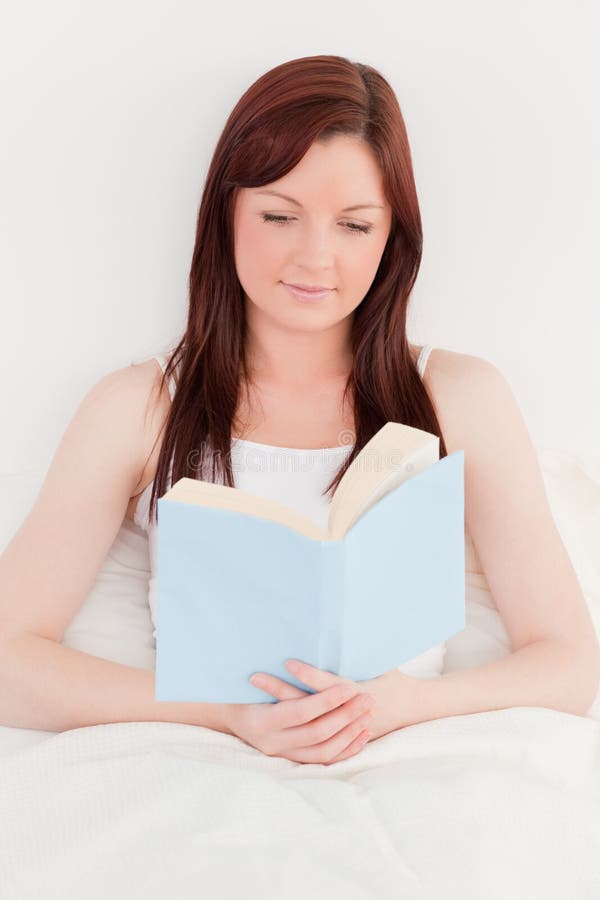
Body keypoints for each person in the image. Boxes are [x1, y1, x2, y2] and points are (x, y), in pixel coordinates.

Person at [1, 55, 598, 766]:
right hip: (196, 766)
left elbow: (569, 661)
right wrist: (226, 715)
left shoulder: (460, 396)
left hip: (416, 763)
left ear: (392, 237)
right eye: (280, 216)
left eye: (354, 225)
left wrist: (402, 706)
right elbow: (9, 660)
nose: (316, 259)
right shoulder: (140, 406)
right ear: (226, 213)